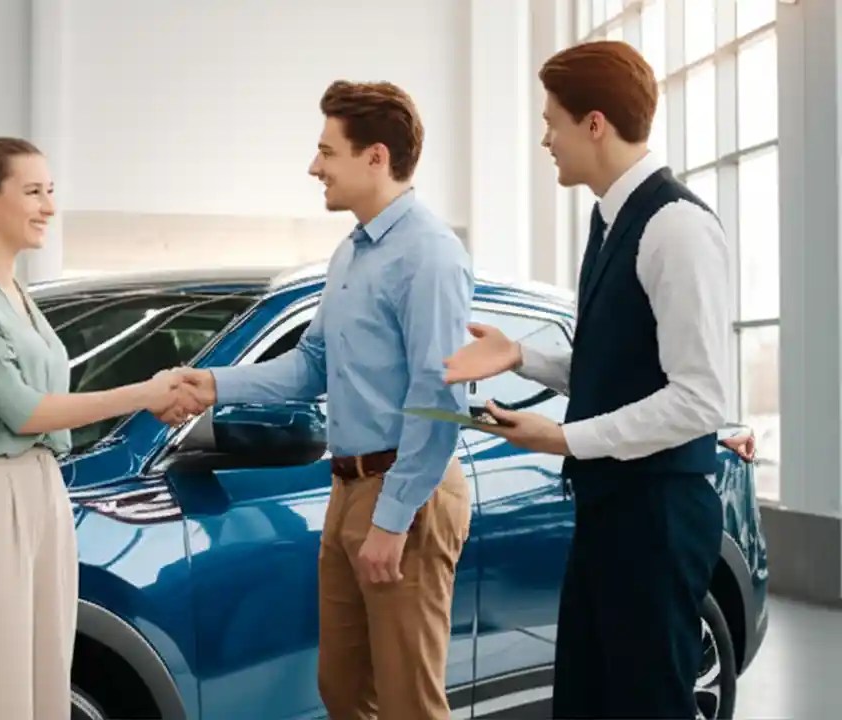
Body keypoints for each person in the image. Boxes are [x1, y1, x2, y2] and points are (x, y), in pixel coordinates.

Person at [442, 41, 735, 718]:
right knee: (586, 700)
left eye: (553, 120)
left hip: (658, 517)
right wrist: (521, 355)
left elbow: (700, 398)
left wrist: (566, 439)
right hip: (613, 512)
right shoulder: (610, 218)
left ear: (594, 123)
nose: (545, 137)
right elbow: (620, 364)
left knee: (644, 705)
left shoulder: (676, 228)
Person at [170, 80, 474, 719]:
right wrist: (215, 385)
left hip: (406, 491)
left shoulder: (430, 254)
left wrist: (393, 518)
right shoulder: (350, 255)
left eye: (326, 152)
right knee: (343, 691)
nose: (314, 167)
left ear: (376, 158)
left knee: (408, 704)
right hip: (346, 489)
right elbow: (311, 366)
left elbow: (442, 396)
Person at [0, 137, 188, 719]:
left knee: (46, 690)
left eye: (51, 192)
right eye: (35, 192)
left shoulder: (20, 296)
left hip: (45, 487)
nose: (48, 206)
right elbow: (25, 410)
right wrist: (142, 395)